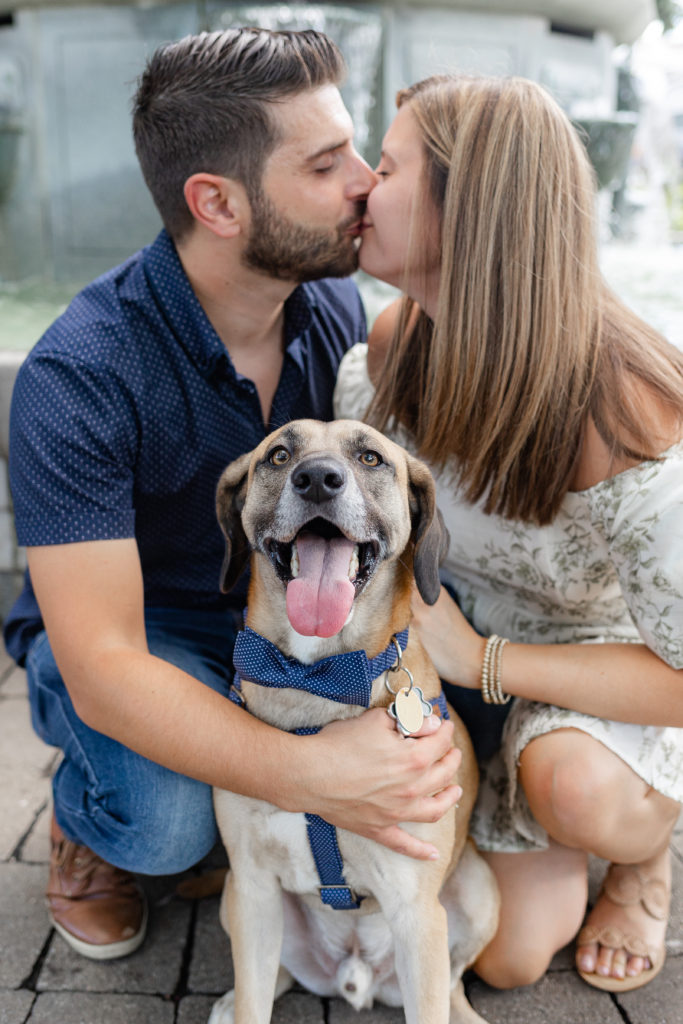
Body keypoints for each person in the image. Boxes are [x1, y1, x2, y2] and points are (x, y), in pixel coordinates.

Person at [3, 29, 461, 961]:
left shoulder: (331, 310)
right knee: (169, 824)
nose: (367, 182)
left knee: (464, 714)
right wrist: (313, 775)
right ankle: (91, 822)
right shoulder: (79, 374)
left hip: (296, 609)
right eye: (327, 163)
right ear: (215, 202)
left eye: (360, 150)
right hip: (140, 634)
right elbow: (106, 663)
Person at [334, 72, 683, 995]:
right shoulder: (394, 342)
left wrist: (480, 661)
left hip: (597, 660)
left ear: (470, 208)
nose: (363, 184)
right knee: (505, 957)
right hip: (447, 661)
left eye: (390, 163)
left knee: (576, 791)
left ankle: (648, 853)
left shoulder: (621, 402)